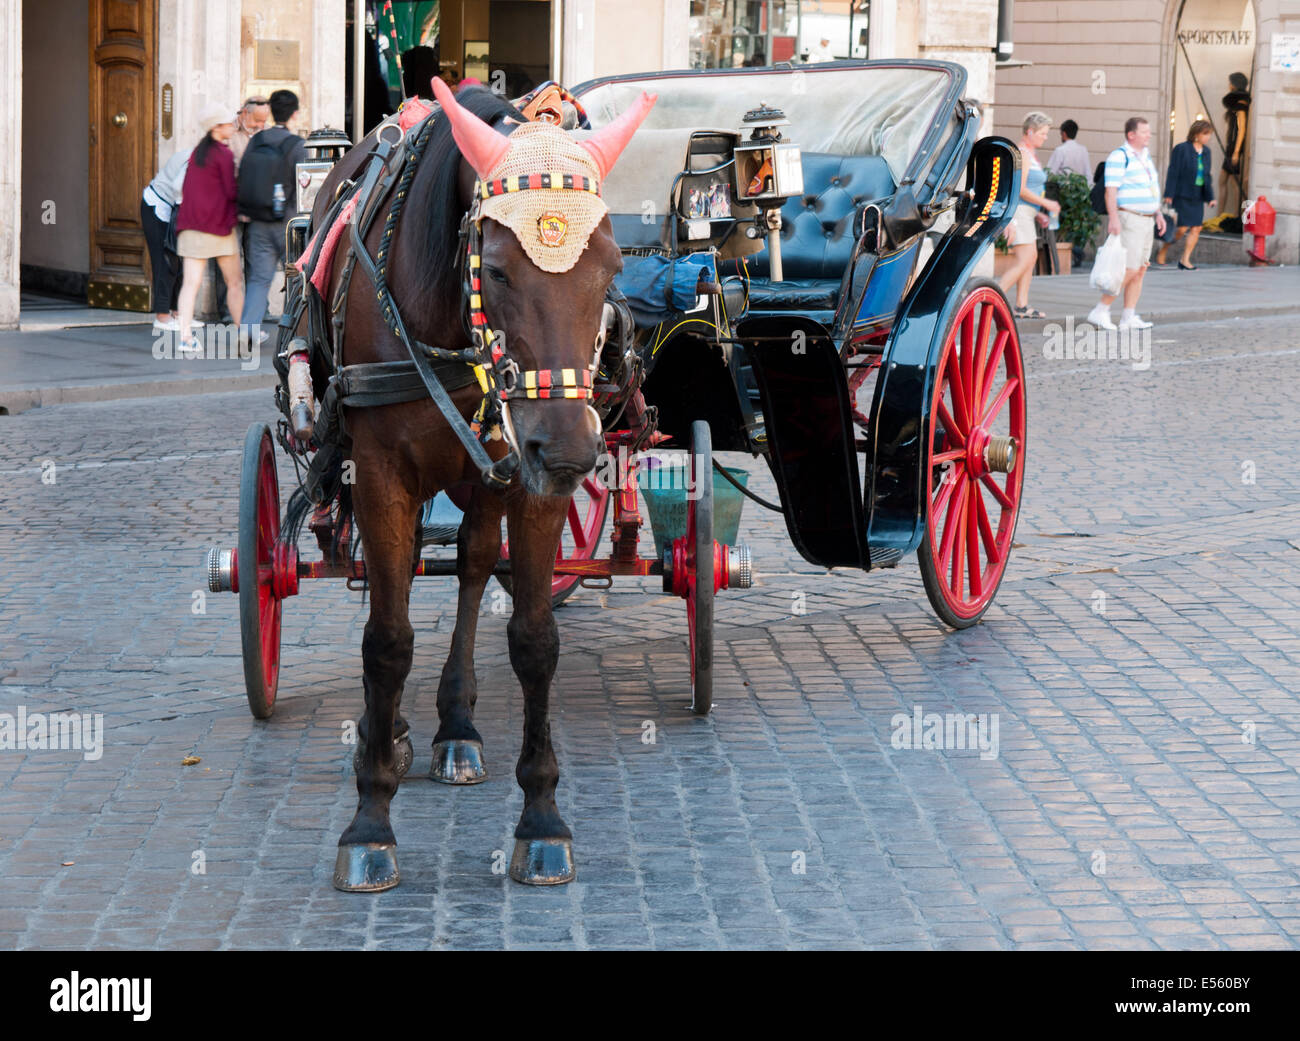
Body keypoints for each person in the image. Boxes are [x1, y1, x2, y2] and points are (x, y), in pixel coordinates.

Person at [239, 89, 309, 344]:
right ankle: (295, 335)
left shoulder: (257, 140)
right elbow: (303, 187)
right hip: (287, 225)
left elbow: (244, 174)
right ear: (295, 113)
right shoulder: (297, 145)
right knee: (296, 278)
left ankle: (247, 330)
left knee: (258, 278)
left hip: (258, 221)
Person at [175, 104, 244, 352]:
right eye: (227, 123)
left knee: (190, 285)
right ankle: (242, 335)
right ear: (216, 128)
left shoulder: (198, 153)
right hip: (219, 229)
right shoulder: (224, 155)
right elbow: (230, 192)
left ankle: (185, 338)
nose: (232, 126)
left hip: (192, 227)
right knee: (234, 283)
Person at [1087, 116, 1166, 332]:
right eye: (1144, 132)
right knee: (1128, 269)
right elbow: (1110, 190)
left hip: (1146, 218)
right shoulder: (1119, 156)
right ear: (1131, 135)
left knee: (1140, 269)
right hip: (1130, 218)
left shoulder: (1145, 156)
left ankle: (1128, 316)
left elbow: (1151, 186)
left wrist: (1157, 212)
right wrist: (1114, 218)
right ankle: (1101, 310)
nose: (1149, 135)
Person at [999, 112, 1059, 320]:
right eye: (1042, 133)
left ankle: (1021, 306)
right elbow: (1020, 189)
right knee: (1025, 259)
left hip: (1027, 212)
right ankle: (994, 298)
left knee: (1029, 258)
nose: (1045, 137)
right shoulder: (1023, 153)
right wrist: (1046, 204)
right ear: (1030, 131)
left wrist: (1038, 213)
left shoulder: (1029, 153)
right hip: (1019, 213)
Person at [141, 146, 192, 333]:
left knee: (181, 261)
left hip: (174, 209)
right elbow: (179, 188)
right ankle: (162, 316)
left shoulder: (205, 156)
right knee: (165, 261)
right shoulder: (195, 159)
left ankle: (178, 313)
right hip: (157, 207)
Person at [1156, 120, 1216, 270]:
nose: (1208, 137)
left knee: (1196, 228)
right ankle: (1164, 249)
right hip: (1182, 194)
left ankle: (1185, 260)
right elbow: (1173, 171)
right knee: (1181, 229)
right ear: (1196, 134)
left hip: (1198, 195)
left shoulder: (1207, 152)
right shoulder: (1181, 149)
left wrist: (1210, 197)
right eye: (1205, 134)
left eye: (1209, 134)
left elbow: (1207, 175)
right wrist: (1169, 193)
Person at [1219, 71, 1251, 215]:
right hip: (1231, 148)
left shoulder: (1241, 107)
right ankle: (1223, 214)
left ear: (1235, 85)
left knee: (1234, 183)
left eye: (1230, 82)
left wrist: (1236, 152)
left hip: (1234, 149)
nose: (1229, 85)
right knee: (1226, 181)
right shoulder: (1237, 106)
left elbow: (1242, 129)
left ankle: (1238, 216)